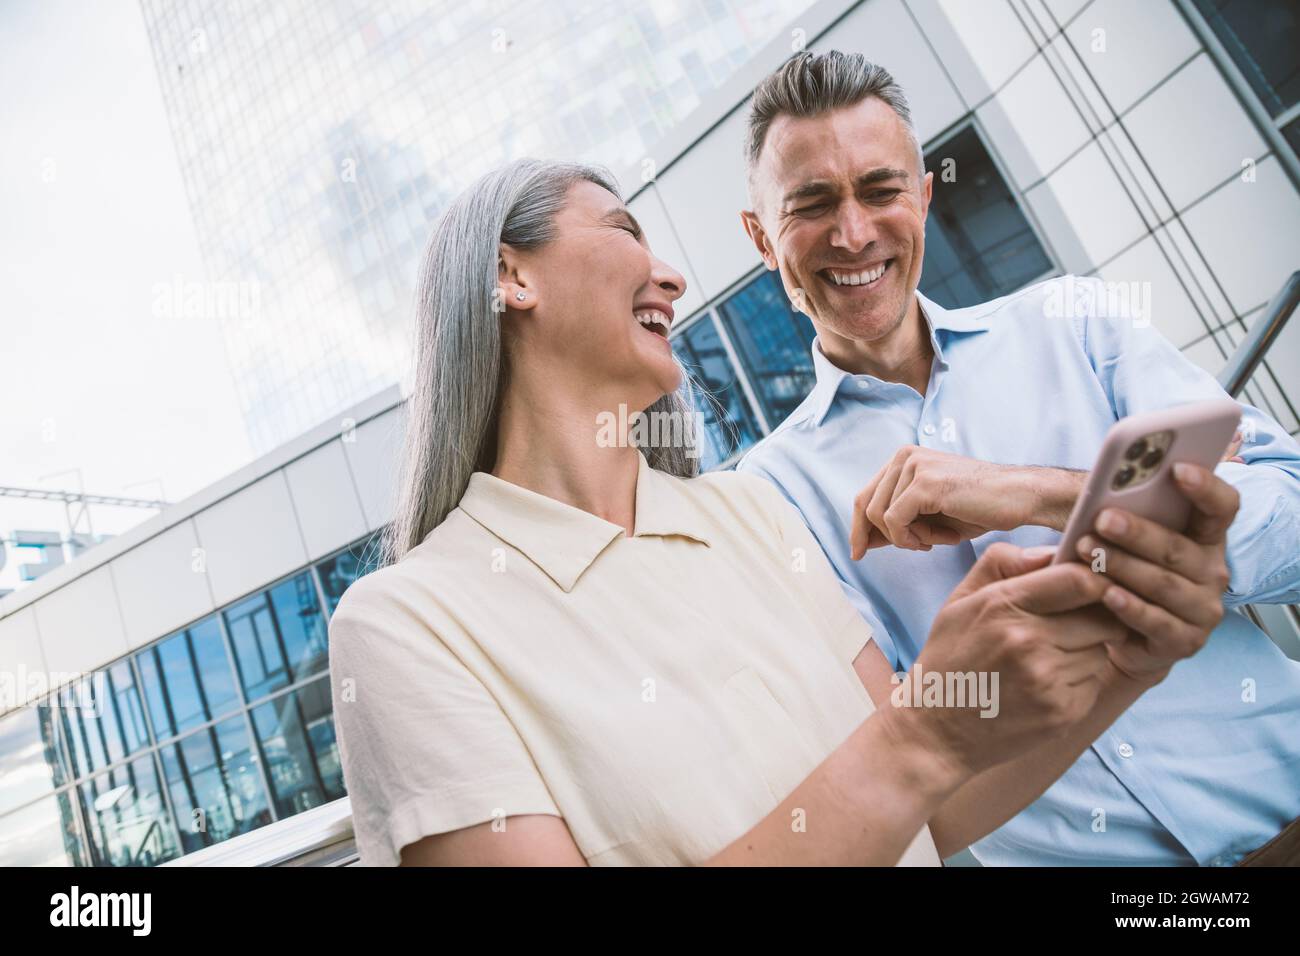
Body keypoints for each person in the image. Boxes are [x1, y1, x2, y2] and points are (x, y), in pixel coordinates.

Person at [326, 157, 1234, 867]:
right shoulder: (407, 625)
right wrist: (917, 737)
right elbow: (916, 757)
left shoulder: (750, 516)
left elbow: (938, 809)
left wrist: (1129, 657)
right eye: (625, 230)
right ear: (510, 276)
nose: (671, 277)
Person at [734, 50, 1300, 866]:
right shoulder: (772, 496)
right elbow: (880, 748)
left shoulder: (1073, 324)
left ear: (924, 196)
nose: (853, 232)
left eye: (882, 189)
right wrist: (1160, 507)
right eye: (812, 203)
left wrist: (1030, 492)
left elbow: (1288, 514)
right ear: (761, 237)